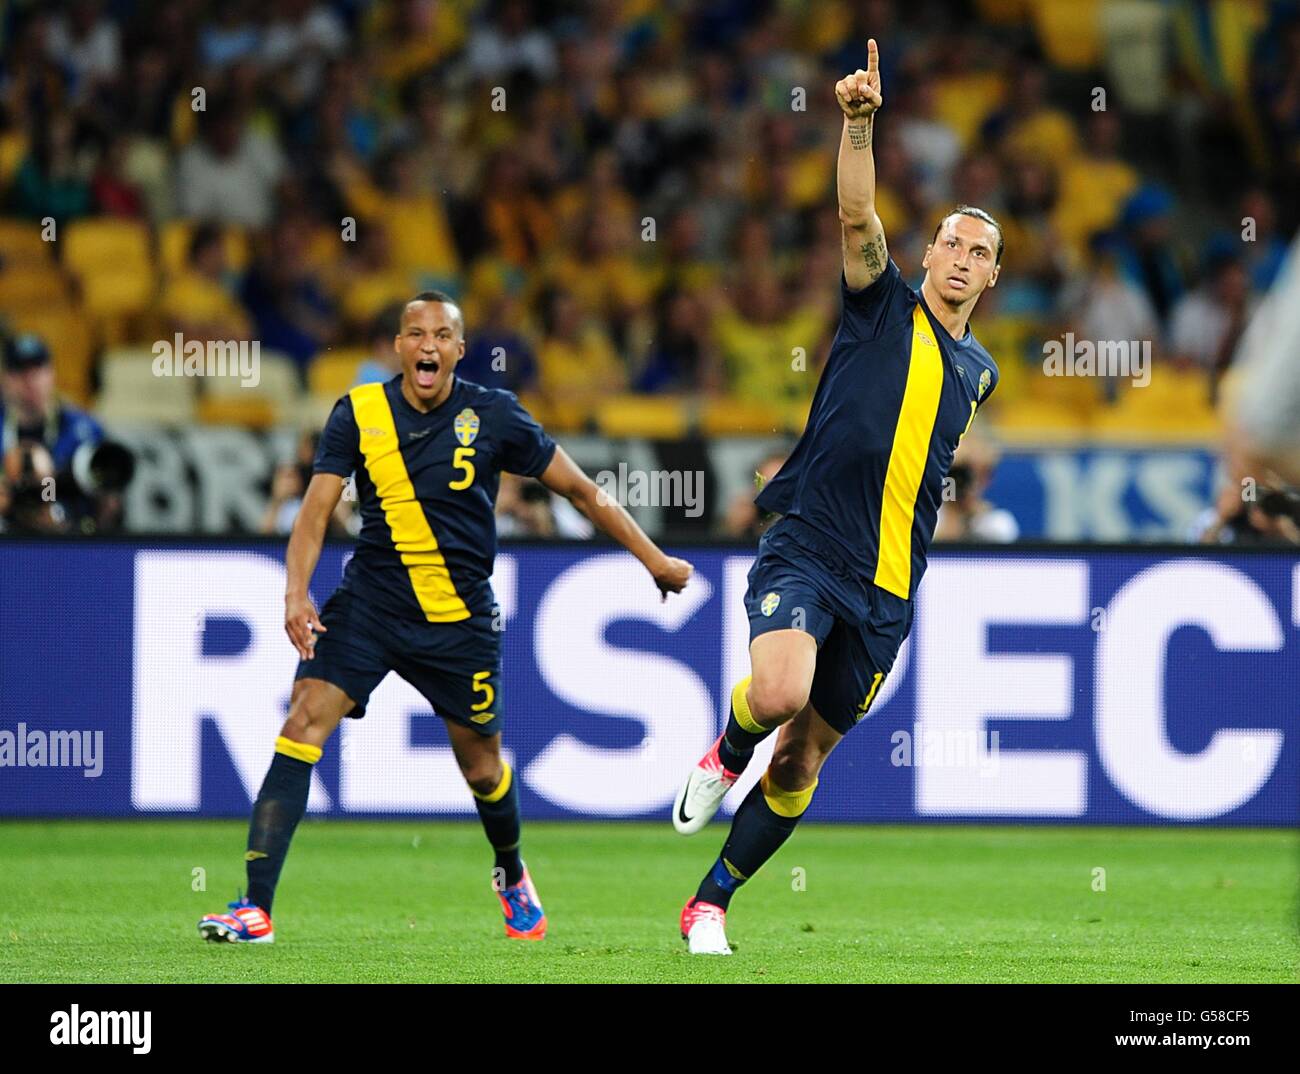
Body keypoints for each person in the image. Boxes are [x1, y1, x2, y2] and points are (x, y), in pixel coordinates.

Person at [198, 291, 692, 944]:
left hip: (459, 622)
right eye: (414, 334)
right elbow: (316, 510)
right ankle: (255, 907)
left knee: (482, 768)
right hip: (370, 606)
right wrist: (295, 594)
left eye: (442, 335)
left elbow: (579, 488)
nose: (428, 345)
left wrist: (654, 560)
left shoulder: (495, 415)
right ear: (397, 348)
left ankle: (512, 870)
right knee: (302, 720)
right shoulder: (358, 413)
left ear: (460, 349)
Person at [671, 41, 1002, 955]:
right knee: (777, 695)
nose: (963, 260)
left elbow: (923, 462)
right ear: (927, 252)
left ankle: (710, 905)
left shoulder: (980, 374)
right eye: (952, 243)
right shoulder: (878, 301)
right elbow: (856, 210)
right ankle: (723, 751)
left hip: (890, 586)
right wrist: (858, 123)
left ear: (992, 276)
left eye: (982, 252)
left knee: (804, 757)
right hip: (811, 541)